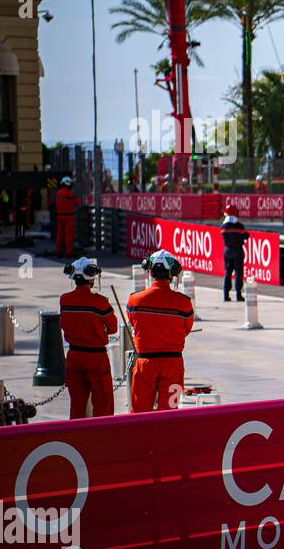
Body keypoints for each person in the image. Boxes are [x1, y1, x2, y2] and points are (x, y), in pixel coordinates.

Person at [127, 250, 194, 412]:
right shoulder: (183, 302)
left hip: (145, 363)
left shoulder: (134, 299)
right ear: (172, 274)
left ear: (150, 271)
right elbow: (187, 329)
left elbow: (133, 323)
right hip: (172, 364)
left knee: (140, 413)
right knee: (169, 413)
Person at [59, 258, 118, 419]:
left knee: (77, 403)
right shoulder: (100, 303)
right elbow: (113, 328)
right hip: (96, 357)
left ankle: (76, 438)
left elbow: (64, 324)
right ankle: (102, 437)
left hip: (74, 356)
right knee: (103, 403)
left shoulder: (64, 300)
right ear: (91, 278)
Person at [220, 212, 249, 302]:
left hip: (228, 250)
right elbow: (246, 235)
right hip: (238, 250)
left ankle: (226, 295)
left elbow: (222, 233)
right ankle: (238, 295)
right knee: (238, 273)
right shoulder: (239, 226)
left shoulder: (224, 226)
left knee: (228, 272)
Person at [54, 177, 80, 256]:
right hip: (68, 217)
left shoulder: (58, 193)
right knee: (69, 234)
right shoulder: (69, 193)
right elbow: (78, 202)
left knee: (60, 234)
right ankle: (69, 252)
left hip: (59, 216)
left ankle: (59, 251)